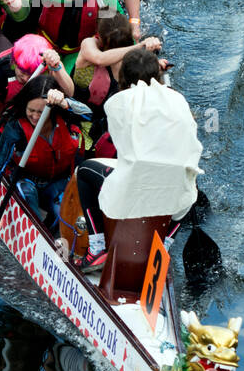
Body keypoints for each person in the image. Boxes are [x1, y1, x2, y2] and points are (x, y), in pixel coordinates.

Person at [73, 50, 202, 270]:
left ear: (123, 77)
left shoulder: (116, 102)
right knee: (189, 186)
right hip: (179, 195)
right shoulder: (178, 99)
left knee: (84, 172)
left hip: (134, 188)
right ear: (158, 76)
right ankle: (162, 247)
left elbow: (121, 143)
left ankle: (97, 248)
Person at [0, 32, 74, 180]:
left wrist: (57, 67)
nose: (26, 79)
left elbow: (70, 93)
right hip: (1, 122)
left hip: (33, 121)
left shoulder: (49, 68)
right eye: (22, 73)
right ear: (14, 62)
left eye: (31, 74)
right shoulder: (1, 71)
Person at [0, 77, 92, 239]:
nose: (34, 116)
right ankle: (36, 235)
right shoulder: (15, 128)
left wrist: (64, 102)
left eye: (40, 112)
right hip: (27, 182)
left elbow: (89, 114)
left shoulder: (64, 116)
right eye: (30, 110)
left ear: (52, 109)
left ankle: (54, 237)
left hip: (58, 182)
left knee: (70, 220)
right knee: (26, 194)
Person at [74, 16, 165, 155]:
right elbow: (100, 59)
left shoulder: (130, 60)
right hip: (85, 124)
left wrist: (154, 65)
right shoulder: (89, 45)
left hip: (114, 126)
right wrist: (141, 46)